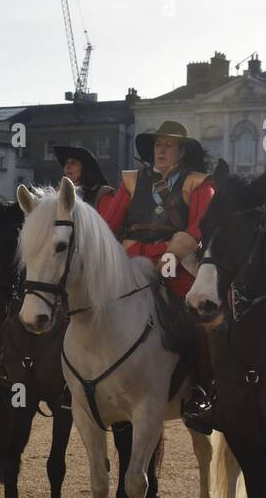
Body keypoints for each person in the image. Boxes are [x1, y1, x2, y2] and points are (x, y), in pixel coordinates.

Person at [97, 120, 216, 432]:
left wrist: (172, 253)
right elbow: (109, 224)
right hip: (130, 258)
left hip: (175, 260)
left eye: (168, 146)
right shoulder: (132, 181)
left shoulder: (198, 182)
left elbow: (200, 227)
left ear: (182, 152)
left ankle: (202, 391)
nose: (161, 151)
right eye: (158, 146)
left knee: (199, 318)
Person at [56, 145, 115, 209]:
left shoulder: (102, 194)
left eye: (73, 163)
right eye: (66, 163)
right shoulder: (58, 195)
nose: (67, 167)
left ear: (85, 168)